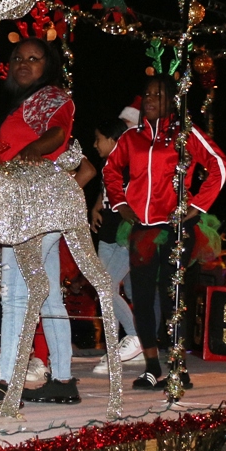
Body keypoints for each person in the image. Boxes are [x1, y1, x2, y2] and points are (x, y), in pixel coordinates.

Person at [103, 74, 226, 389]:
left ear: (171, 100)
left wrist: (197, 207)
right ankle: (150, 367)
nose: (149, 99)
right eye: (147, 93)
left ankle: (178, 368)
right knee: (143, 300)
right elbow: (110, 169)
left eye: (157, 94)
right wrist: (119, 204)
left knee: (172, 299)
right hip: (141, 231)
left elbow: (220, 166)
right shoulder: (131, 137)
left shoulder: (184, 134)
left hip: (174, 229)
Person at [0, 37, 81, 405]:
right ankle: (62, 379)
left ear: (49, 66)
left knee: (15, 290)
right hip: (31, 200)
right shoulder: (15, 106)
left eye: (34, 58)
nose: (24, 64)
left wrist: (32, 150)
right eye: (18, 58)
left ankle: (5, 380)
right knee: (48, 299)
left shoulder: (53, 98)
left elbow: (58, 133)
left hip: (35, 200)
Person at [90, 115, 143, 375]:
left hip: (126, 233)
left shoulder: (133, 163)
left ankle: (136, 337)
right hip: (107, 232)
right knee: (104, 289)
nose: (94, 144)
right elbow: (107, 188)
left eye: (99, 139)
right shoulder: (108, 163)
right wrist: (96, 206)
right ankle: (118, 349)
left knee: (105, 286)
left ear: (113, 139)